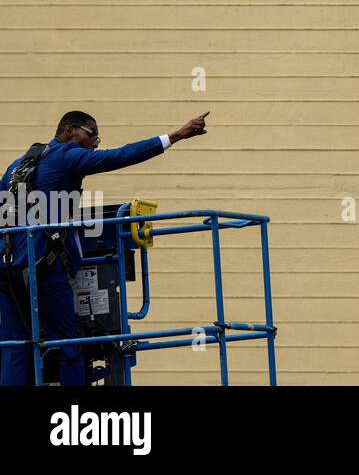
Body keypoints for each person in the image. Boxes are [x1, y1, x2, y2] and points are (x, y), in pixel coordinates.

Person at [0, 110, 210, 386]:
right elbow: (119, 156)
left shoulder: (18, 166)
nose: (96, 142)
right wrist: (176, 136)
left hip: (8, 271)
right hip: (42, 270)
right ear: (69, 130)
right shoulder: (67, 156)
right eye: (91, 133)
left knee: (15, 346)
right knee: (70, 346)